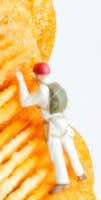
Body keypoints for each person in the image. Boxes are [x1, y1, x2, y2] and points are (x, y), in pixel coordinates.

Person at [15, 62, 85, 193]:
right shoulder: (57, 86)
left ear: (37, 75)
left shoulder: (42, 91)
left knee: (56, 153)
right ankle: (80, 172)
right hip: (63, 122)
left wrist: (21, 81)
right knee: (70, 148)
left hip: (52, 125)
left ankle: (62, 181)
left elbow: (25, 101)